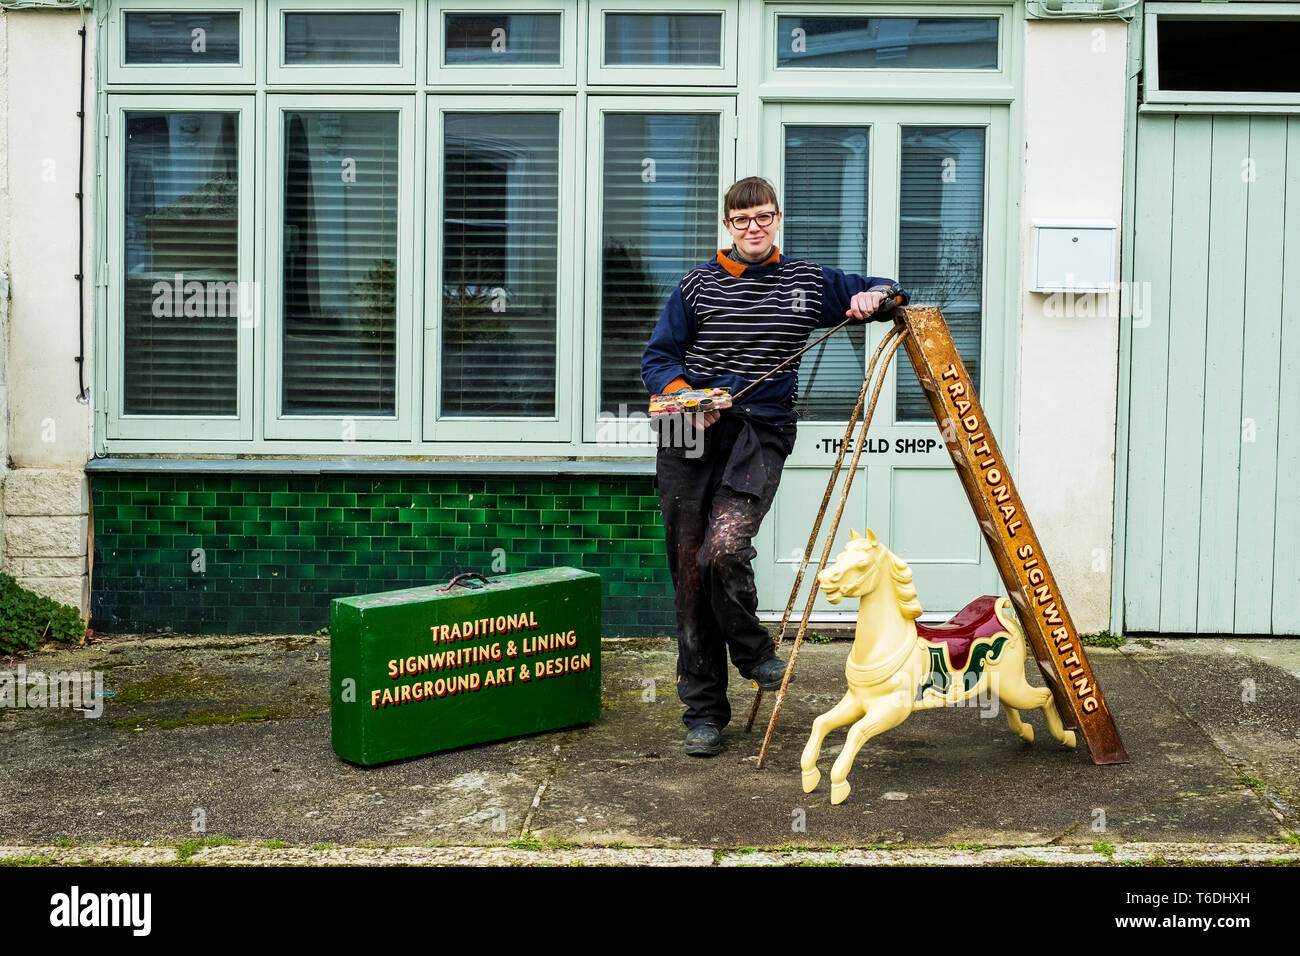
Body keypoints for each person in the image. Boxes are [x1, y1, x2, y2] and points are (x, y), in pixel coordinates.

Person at [640, 176, 907, 757]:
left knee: (725, 551)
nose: (753, 228)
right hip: (688, 431)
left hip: (759, 430)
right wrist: (689, 397)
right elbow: (657, 359)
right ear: (728, 226)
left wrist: (875, 298)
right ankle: (704, 713)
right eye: (742, 220)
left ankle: (754, 651)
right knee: (690, 572)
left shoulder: (807, 281)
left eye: (763, 217)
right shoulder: (696, 285)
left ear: (777, 219)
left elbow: (885, 293)